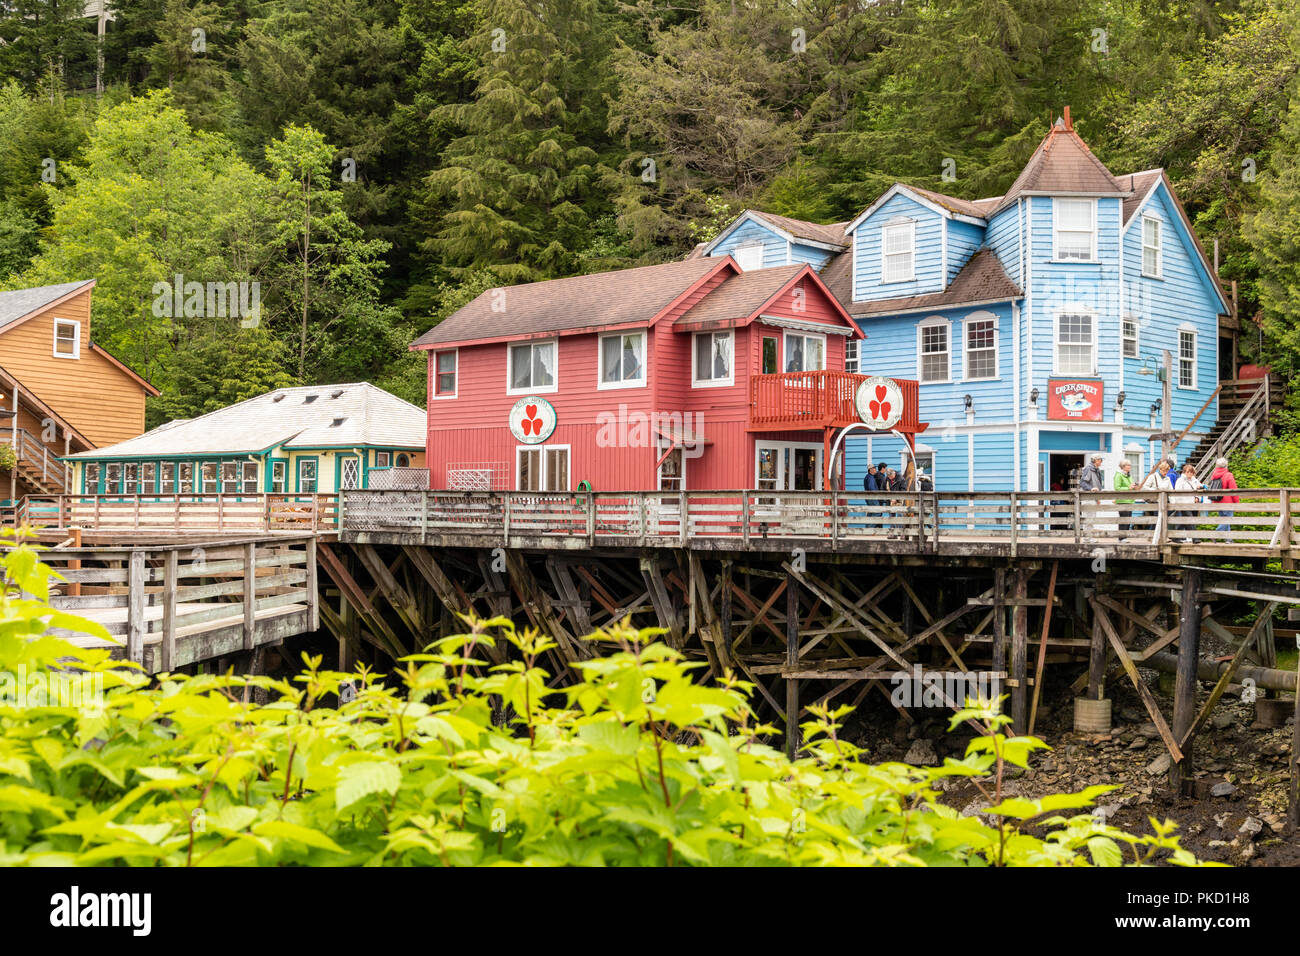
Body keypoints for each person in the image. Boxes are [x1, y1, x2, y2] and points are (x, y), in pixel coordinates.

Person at [1172, 463, 1205, 541]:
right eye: (1187, 472)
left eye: (1191, 472)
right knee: (1190, 520)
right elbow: (1177, 492)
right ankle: (1195, 538)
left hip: (1193, 504)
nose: (1189, 474)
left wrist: (1197, 497)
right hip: (1184, 503)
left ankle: (1175, 537)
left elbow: (1199, 491)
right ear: (1184, 472)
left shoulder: (1195, 480)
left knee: (1185, 521)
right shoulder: (1180, 480)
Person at [1206, 457, 1239, 534]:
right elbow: (1234, 490)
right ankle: (1216, 534)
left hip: (1217, 501)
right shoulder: (1228, 475)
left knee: (1224, 520)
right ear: (1226, 465)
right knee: (1228, 519)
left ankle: (1228, 540)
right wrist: (1236, 502)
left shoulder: (1214, 475)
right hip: (1227, 502)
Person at [1113, 460, 1135, 534]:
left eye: (1130, 465)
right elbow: (1117, 488)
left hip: (1130, 500)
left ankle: (1125, 536)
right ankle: (1121, 538)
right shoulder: (1118, 475)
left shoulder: (1129, 475)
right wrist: (1128, 488)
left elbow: (1130, 485)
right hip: (1122, 501)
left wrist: (1134, 486)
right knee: (1123, 520)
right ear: (1123, 466)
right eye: (1128, 465)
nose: (1130, 467)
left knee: (1128, 520)